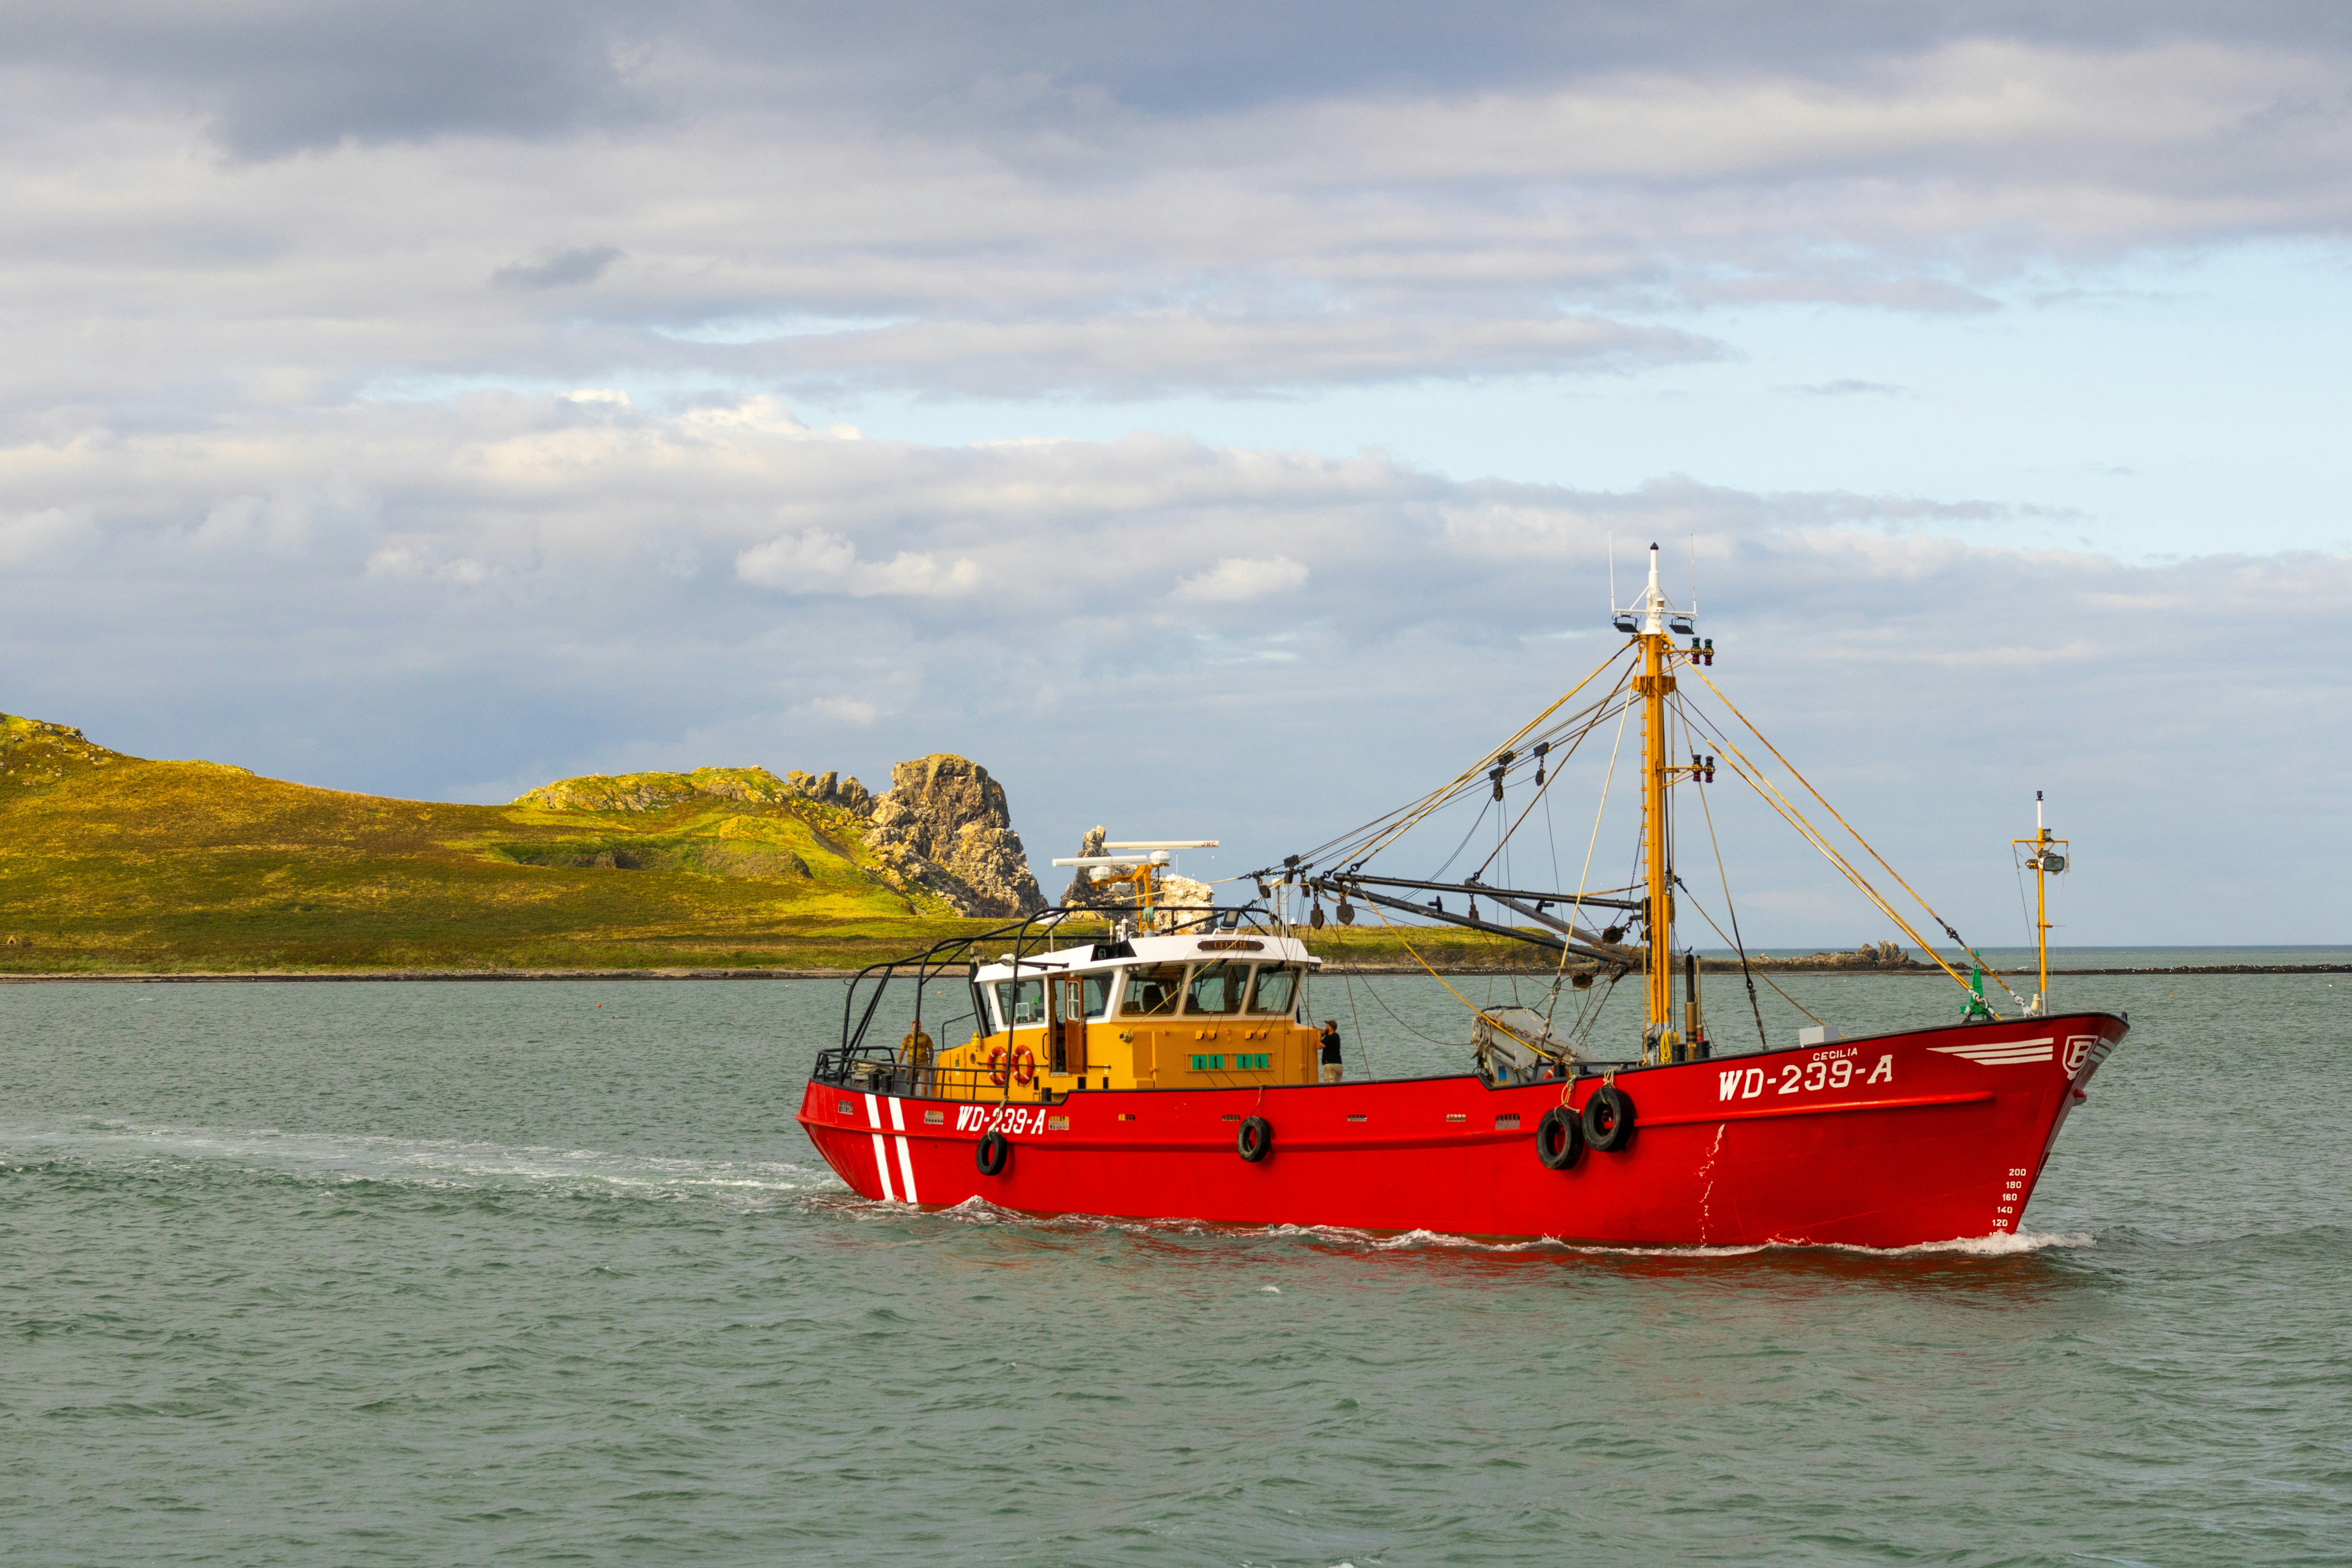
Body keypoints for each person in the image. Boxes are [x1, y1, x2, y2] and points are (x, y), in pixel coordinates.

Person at [1318, 1020, 1344, 1084]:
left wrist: (1319, 1036)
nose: (1325, 1028)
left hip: (1330, 1065)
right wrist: (1317, 1029)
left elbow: (1319, 1046)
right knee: (1338, 1086)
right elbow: (1325, 1032)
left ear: (1331, 1029)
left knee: (1330, 1085)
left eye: (1327, 1026)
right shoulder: (1337, 1036)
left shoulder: (1328, 1038)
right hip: (1339, 1065)